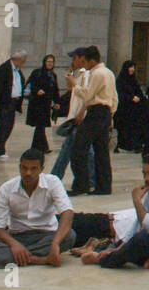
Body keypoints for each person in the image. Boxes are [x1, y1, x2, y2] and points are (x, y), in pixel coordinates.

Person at [68, 46, 116, 196]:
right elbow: (115, 97)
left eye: (85, 62)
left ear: (92, 61)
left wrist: (74, 84)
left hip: (96, 112)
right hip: (105, 112)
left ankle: (81, 185)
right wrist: (111, 114)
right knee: (102, 152)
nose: (84, 65)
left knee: (78, 148)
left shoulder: (97, 73)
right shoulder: (109, 72)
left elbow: (88, 95)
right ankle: (104, 186)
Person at [51, 51, 90, 179]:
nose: (73, 61)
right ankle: (56, 177)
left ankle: (55, 177)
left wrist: (81, 112)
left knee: (82, 151)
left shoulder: (86, 74)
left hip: (80, 118)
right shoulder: (78, 73)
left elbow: (87, 95)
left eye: (74, 58)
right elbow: (72, 91)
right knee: (69, 149)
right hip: (75, 117)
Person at [0, 50, 28, 160]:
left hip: (13, 103)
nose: (24, 62)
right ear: (19, 59)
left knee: (8, 126)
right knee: (3, 127)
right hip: (5, 103)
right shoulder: (4, 69)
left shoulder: (17, 70)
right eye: (23, 60)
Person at [114, 60, 148, 153]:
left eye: (133, 67)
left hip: (135, 109)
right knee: (125, 128)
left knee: (136, 128)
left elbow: (138, 91)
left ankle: (136, 145)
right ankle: (124, 146)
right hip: (125, 109)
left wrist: (141, 98)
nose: (132, 69)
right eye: (130, 67)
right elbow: (119, 94)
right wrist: (130, 98)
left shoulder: (133, 80)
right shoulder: (120, 80)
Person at [26, 55, 58, 153]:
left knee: (41, 126)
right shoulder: (37, 73)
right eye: (48, 61)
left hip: (46, 104)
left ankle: (37, 147)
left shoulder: (53, 75)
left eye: (51, 62)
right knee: (40, 125)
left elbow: (55, 90)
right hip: (37, 104)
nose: (50, 64)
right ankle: (43, 147)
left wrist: (57, 102)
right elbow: (30, 85)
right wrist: (37, 90)